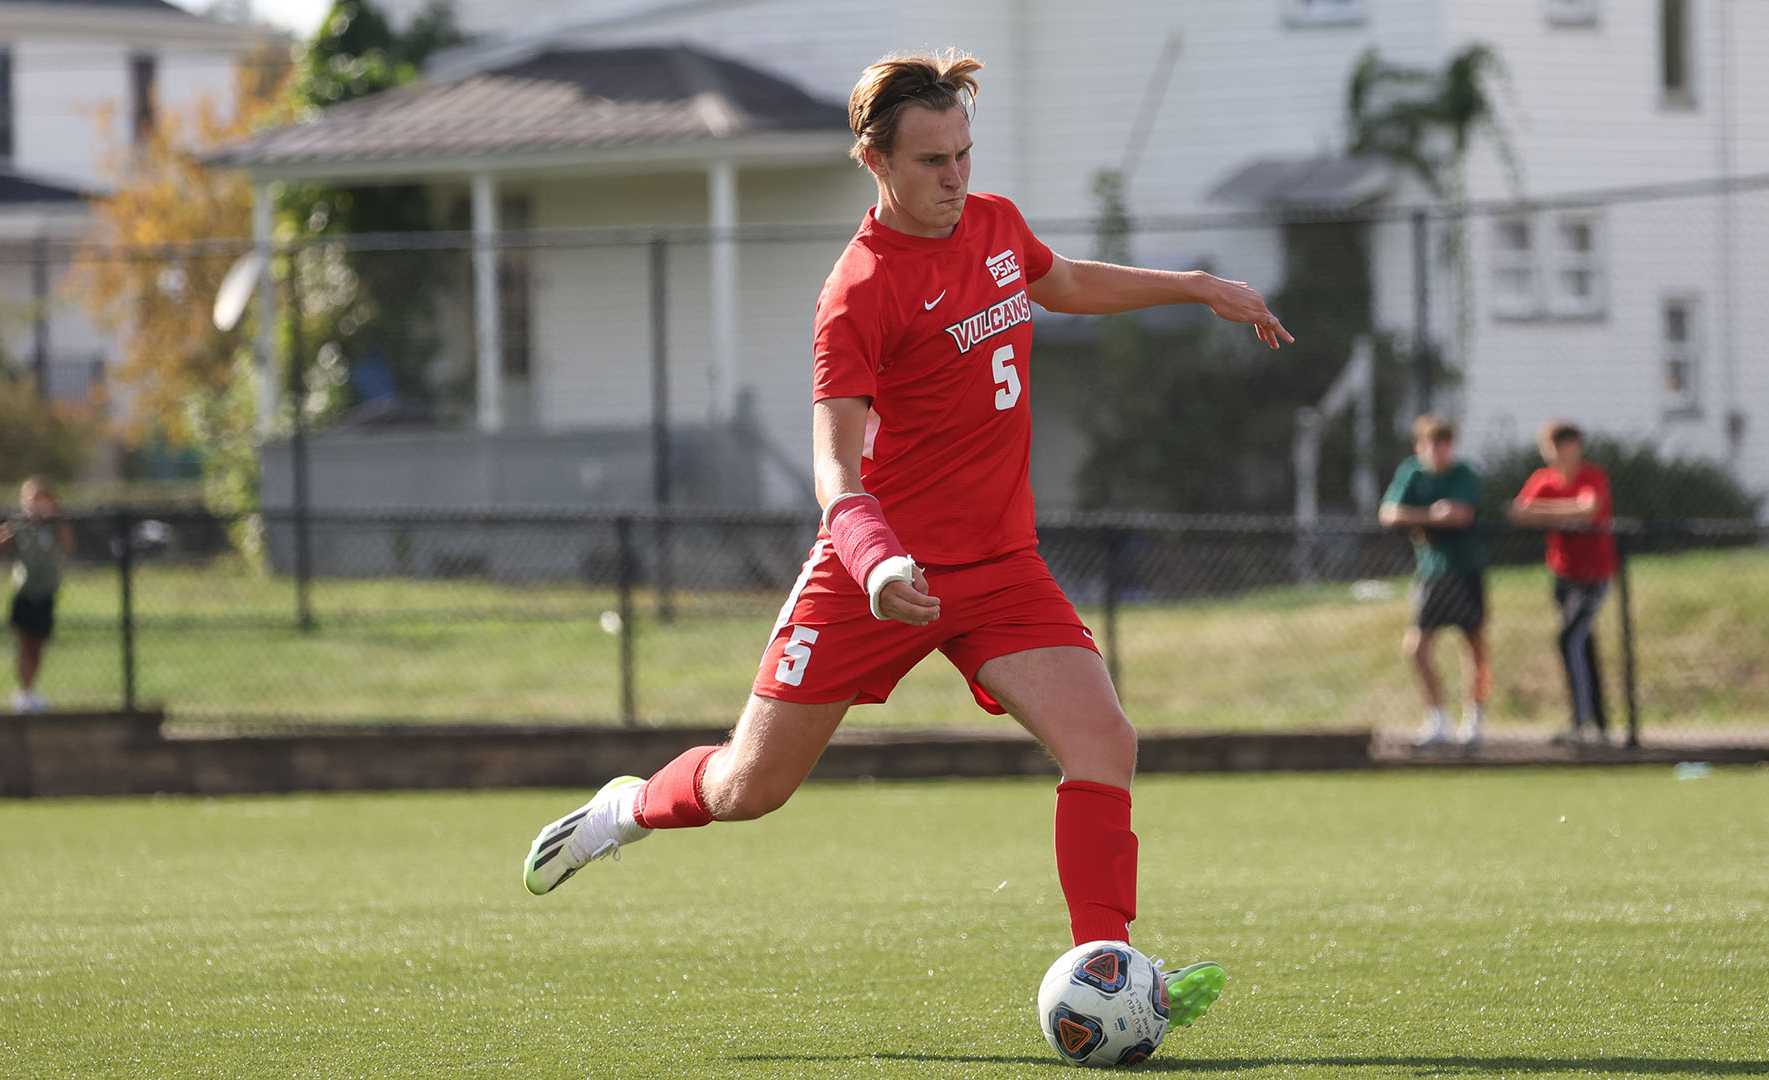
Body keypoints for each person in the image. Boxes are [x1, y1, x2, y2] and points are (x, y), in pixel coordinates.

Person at [518, 49, 1291, 1033]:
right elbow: (836, 470)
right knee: (749, 788)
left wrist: (1192, 285)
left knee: (1103, 738)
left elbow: (1063, 284)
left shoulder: (997, 225)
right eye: (932, 161)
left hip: (1002, 564)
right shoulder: (858, 291)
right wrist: (878, 564)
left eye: (964, 153)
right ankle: (625, 811)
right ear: (874, 161)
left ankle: (1109, 961)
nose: (956, 177)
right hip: (878, 572)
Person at [1378, 416, 1489, 747]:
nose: (1437, 452)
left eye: (1443, 445)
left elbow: (1460, 515)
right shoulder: (1411, 472)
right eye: (1430, 444)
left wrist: (1419, 517)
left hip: (1466, 570)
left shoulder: (1463, 474)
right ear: (1419, 446)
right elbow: (1388, 513)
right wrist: (1430, 516)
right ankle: (1438, 719)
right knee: (1417, 649)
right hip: (1431, 574)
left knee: (1475, 648)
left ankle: (1474, 720)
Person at [1508, 421, 1617, 745]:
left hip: (1595, 575)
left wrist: (1546, 513)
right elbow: (1518, 511)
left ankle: (1585, 723)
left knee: (1571, 640)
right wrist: (1563, 514)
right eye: (1554, 446)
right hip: (1565, 575)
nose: (1560, 453)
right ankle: (1596, 724)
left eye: (1566, 445)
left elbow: (1589, 508)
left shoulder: (1591, 476)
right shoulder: (1544, 480)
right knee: (1580, 643)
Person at [0, 476, 75, 714]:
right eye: (31, 499)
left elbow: (69, 546)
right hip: (25, 591)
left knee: (39, 644)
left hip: (46, 591)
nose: (36, 504)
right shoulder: (19, 524)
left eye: (41, 498)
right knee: (24, 643)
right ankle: (24, 693)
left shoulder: (55, 525)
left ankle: (31, 690)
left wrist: (58, 518)